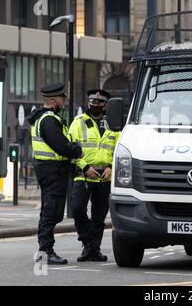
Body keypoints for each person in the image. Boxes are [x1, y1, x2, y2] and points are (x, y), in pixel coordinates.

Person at [28, 83, 83, 265]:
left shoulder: (43, 118)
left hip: (50, 170)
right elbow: (60, 145)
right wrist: (76, 151)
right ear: (53, 100)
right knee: (51, 211)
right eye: (61, 99)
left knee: (52, 211)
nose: (63, 102)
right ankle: (46, 250)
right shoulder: (49, 120)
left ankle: (45, 249)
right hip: (52, 171)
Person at [69, 89, 121, 262]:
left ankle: (93, 250)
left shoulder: (114, 124)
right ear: (88, 103)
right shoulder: (78, 122)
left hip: (105, 176)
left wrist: (112, 167)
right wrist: (85, 168)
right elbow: (71, 148)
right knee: (77, 209)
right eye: (92, 102)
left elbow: (120, 149)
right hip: (83, 174)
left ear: (105, 105)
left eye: (99, 103)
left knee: (99, 215)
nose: (95, 105)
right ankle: (87, 242)